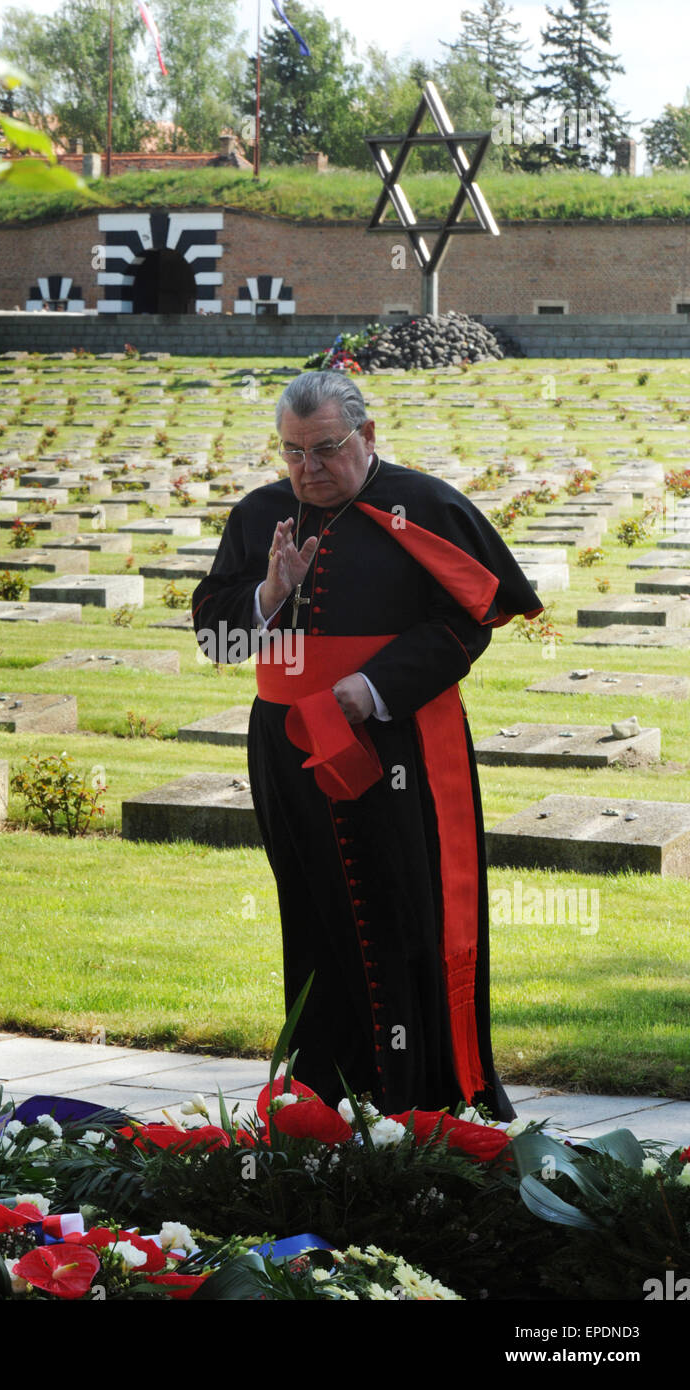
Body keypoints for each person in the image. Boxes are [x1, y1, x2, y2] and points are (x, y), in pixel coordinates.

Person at [192, 371, 542, 1120]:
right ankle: (322, 1099)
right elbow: (215, 639)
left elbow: (467, 623)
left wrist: (371, 688)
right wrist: (268, 595)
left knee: (406, 911)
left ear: (368, 436)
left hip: (399, 745)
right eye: (293, 453)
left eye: (326, 449)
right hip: (288, 750)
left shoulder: (426, 506)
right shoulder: (260, 517)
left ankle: (422, 1100)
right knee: (313, 913)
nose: (308, 469)